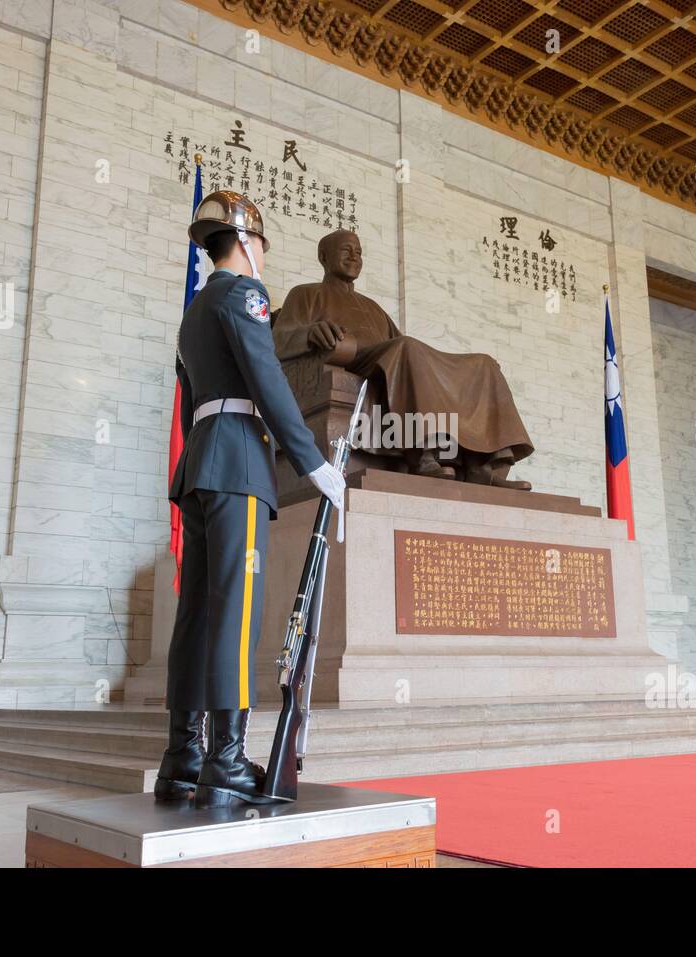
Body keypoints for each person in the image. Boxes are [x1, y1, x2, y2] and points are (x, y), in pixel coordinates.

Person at [156, 190, 345, 808]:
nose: (263, 254)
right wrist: (313, 460)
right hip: (238, 460)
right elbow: (266, 379)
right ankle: (226, 760)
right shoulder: (245, 294)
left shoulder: (193, 311)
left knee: (197, 617)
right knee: (235, 615)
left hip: (201, 462)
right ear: (243, 243)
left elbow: (190, 398)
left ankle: (182, 757)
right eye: (261, 242)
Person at [272, 229, 533, 488]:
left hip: (388, 361)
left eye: (359, 252)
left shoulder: (373, 307)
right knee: (407, 347)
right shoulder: (305, 294)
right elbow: (277, 340)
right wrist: (309, 333)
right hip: (354, 361)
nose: (354, 257)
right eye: (346, 250)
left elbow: (402, 348)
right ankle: (421, 455)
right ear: (323, 256)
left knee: (483, 364)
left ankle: (482, 464)